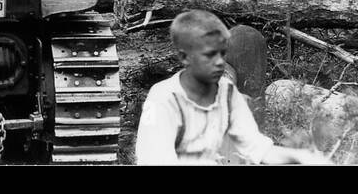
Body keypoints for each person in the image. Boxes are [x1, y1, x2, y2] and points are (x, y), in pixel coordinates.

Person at [135, 10, 328, 165]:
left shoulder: (226, 92)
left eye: (222, 54)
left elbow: (258, 150)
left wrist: (302, 157)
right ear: (185, 57)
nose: (219, 63)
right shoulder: (163, 98)